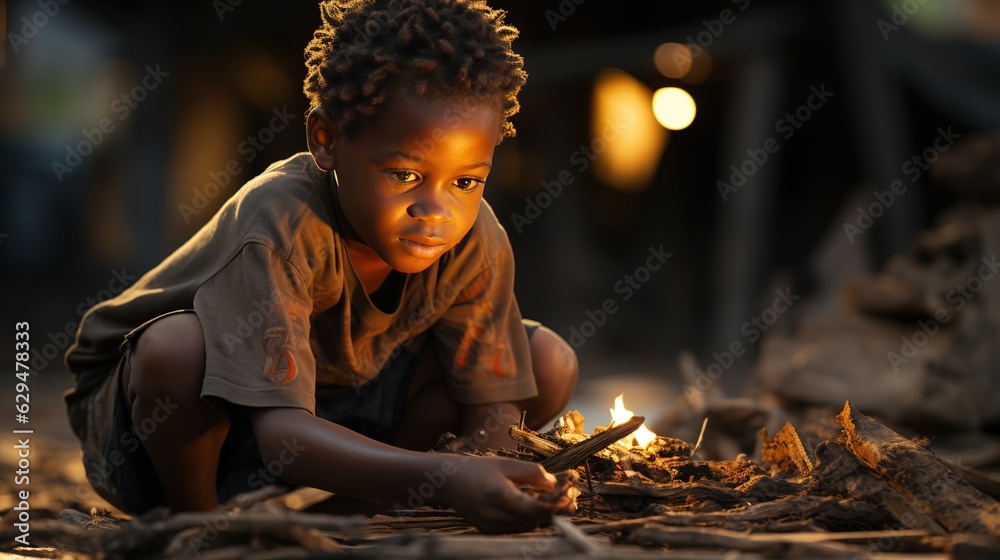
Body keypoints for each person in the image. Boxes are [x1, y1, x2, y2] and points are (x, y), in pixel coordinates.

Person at [63, 0, 579, 534]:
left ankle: (353, 517)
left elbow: (493, 409)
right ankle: (197, 526)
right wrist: (448, 476)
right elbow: (281, 435)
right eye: (404, 175)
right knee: (178, 348)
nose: (436, 210)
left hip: (333, 405)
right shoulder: (281, 221)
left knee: (544, 362)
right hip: (158, 429)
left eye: (466, 182)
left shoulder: (475, 241)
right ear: (325, 141)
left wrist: (488, 474)